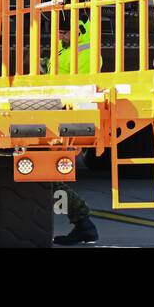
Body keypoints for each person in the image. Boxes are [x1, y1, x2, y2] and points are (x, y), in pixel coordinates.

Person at [49, 16, 100, 244]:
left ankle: (83, 222)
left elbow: (76, 89)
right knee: (47, 179)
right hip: (58, 114)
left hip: (67, 117)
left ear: (78, 30)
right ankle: (83, 224)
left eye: (63, 33)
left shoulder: (86, 53)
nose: (59, 37)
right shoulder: (68, 47)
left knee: (47, 179)